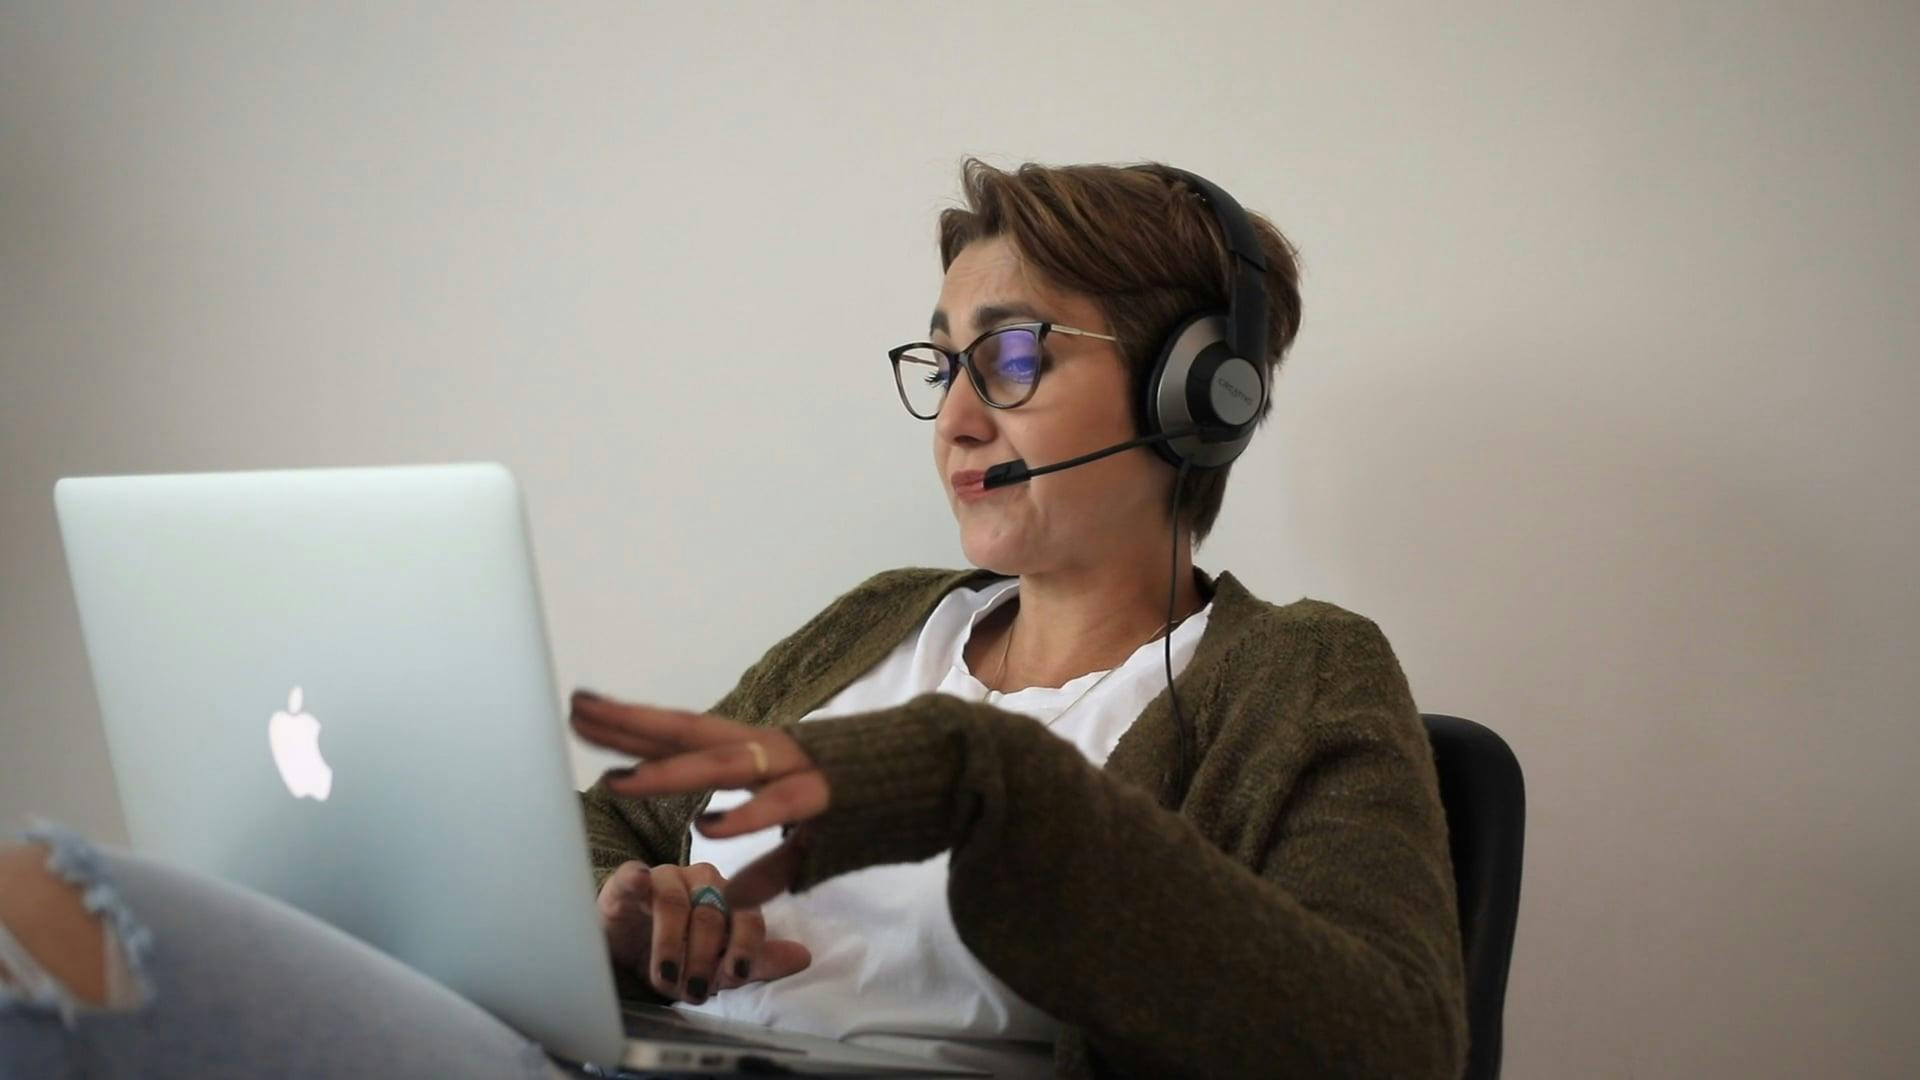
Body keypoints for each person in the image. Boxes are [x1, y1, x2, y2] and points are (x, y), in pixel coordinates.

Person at [0, 159, 1467, 1079]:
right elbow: (613, 834)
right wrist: (626, 917)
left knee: (69, 917)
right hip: (634, 1059)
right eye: (938, 360)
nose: (955, 416)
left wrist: (982, 780)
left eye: (1011, 355)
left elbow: (1387, 1043)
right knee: (50, 944)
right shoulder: (886, 625)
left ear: (1192, 397)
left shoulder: (1293, 676)